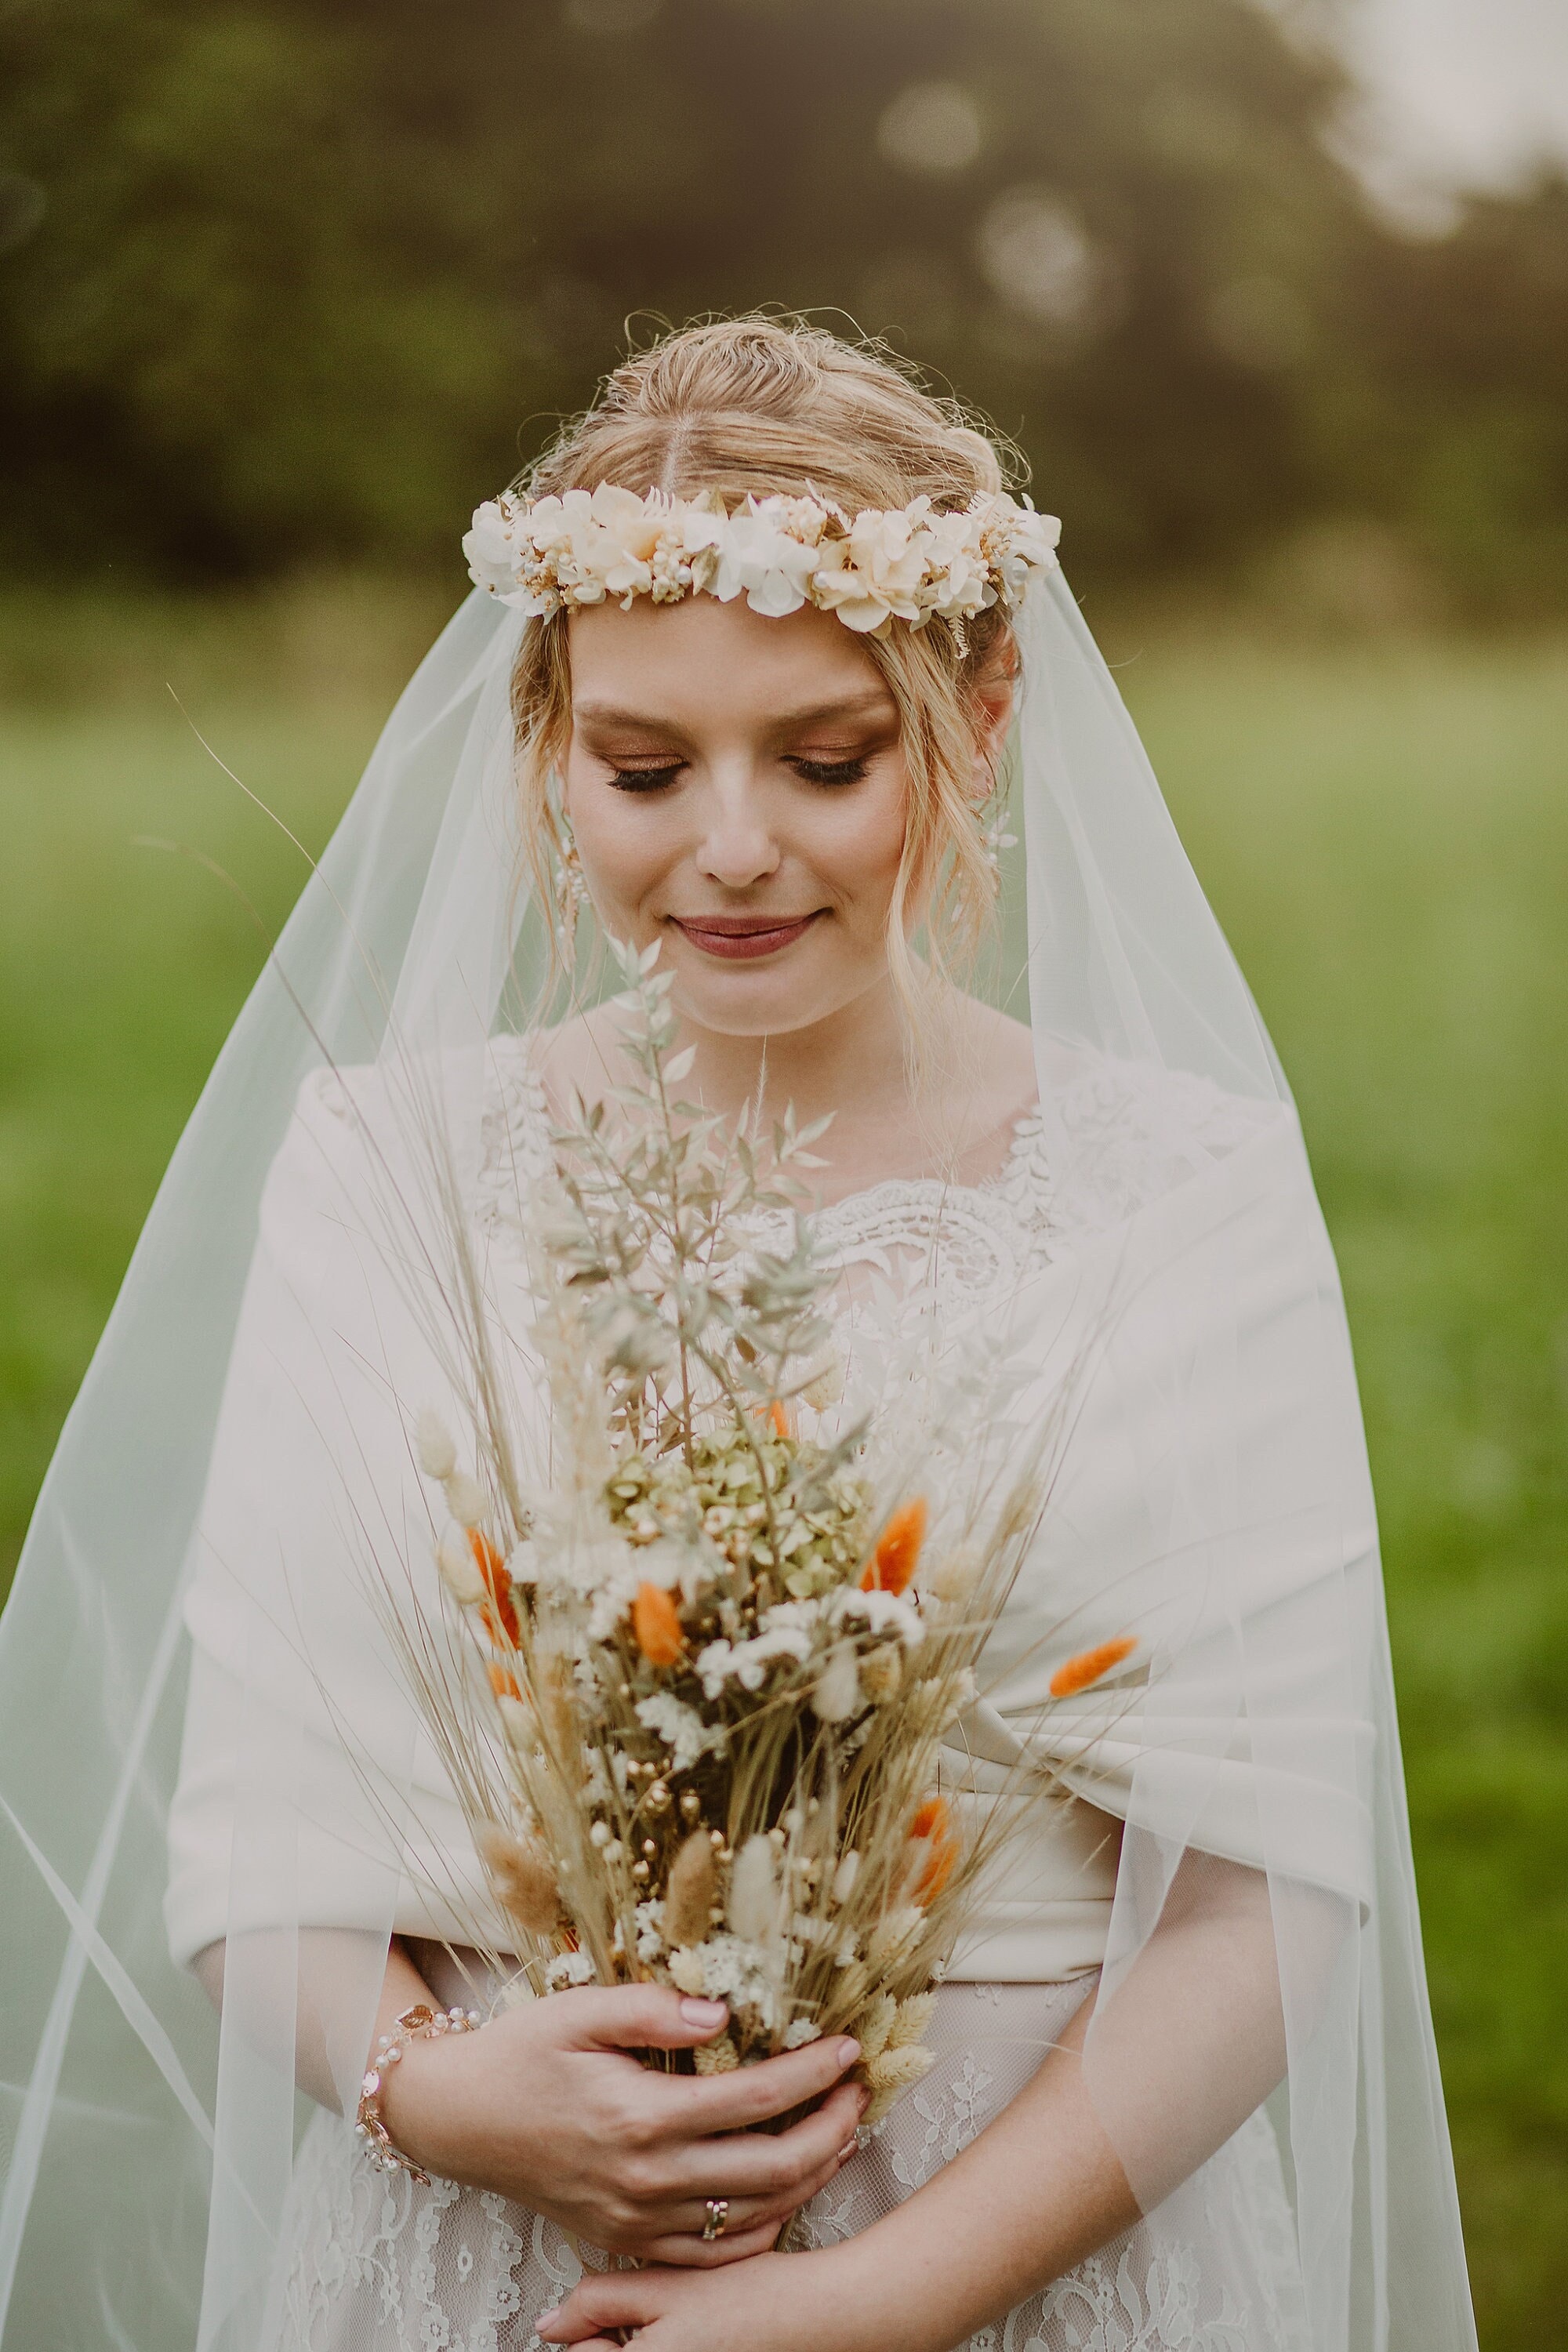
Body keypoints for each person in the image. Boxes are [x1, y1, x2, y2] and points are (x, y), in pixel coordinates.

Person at [0, 320, 1476, 2352]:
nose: (730, 846)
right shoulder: (394, 1171)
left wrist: (874, 2301)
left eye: (824, 757)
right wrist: (439, 2093)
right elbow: (260, 1835)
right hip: (504, 2242)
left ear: (979, 706)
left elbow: (1260, 1900)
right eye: (641, 766)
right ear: (543, 741)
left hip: (1011, 2239)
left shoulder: (1176, 1193)